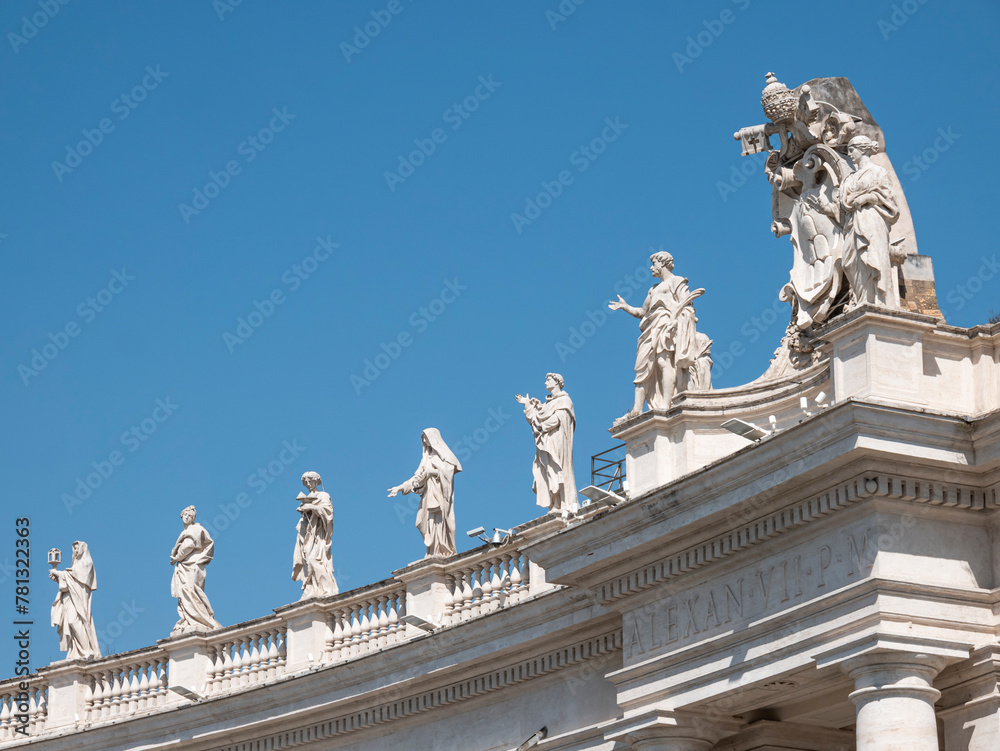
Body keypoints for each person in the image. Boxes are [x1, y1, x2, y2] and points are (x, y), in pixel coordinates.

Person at [609, 251, 703, 416]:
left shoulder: (677, 281)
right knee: (642, 367)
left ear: (664, 263)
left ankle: (667, 404)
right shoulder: (652, 290)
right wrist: (625, 307)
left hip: (666, 327)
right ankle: (637, 409)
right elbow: (642, 312)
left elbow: (687, 306)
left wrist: (676, 322)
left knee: (663, 362)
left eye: (654, 264)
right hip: (650, 329)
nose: (652, 268)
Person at [840, 135, 901, 309]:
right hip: (853, 222)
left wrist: (868, 197)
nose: (850, 154)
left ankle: (876, 300)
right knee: (849, 261)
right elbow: (844, 202)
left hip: (872, 219)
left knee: (874, 256)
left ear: (862, 149)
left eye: (852, 150)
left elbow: (889, 200)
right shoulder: (849, 178)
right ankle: (862, 298)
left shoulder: (878, 172)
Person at [387, 428, 462, 557]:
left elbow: (448, 473)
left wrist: (431, 473)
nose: (425, 441)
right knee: (425, 524)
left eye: (426, 437)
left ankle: (442, 551)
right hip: (428, 497)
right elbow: (416, 478)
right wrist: (399, 487)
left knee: (440, 522)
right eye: (423, 439)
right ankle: (432, 551)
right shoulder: (426, 460)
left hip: (440, 496)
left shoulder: (445, 456)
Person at [516, 373, 579, 515]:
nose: (545, 383)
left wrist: (542, 425)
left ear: (557, 382)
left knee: (558, 469)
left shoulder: (565, 401)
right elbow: (535, 419)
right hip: (546, 442)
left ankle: (563, 502)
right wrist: (527, 405)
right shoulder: (547, 405)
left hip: (557, 441)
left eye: (548, 380)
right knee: (548, 470)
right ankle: (555, 504)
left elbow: (558, 419)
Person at [170, 506, 222, 634]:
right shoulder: (187, 531)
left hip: (192, 564)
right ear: (181, 515)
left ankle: (202, 620)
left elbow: (189, 545)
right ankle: (190, 619)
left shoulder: (195, 529)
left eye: (191, 516)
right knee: (187, 592)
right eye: (186, 515)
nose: (188, 517)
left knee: (192, 590)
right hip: (187, 565)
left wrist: (176, 557)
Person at [49, 541, 101, 660]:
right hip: (69, 599)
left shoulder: (87, 564)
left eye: (77, 549)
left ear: (83, 549)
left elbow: (77, 579)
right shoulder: (74, 567)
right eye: (74, 549)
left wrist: (59, 574)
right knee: (70, 622)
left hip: (79, 601)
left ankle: (86, 650)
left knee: (74, 621)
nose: (75, 551)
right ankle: (77, 651)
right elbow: (70, 583)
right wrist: (58, 578)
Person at [292, 471, 339, 600]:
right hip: (307, 535)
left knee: (315, 560)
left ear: (316, 481)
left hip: (319, 535)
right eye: (305, 482)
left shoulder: (323, 495)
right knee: (307, 560)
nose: (308, 484)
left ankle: (326, 589)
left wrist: (313, 507)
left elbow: (328, 513)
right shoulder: (306, 497)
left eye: (310, 480)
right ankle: (311, 589)